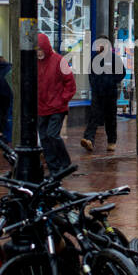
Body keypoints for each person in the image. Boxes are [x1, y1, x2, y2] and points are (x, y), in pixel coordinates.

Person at [36, 33, 76, 175]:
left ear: (46, 48)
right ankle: (54, 167)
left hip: (57, 107)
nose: (39, 53)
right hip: (41, 107)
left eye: (40, 49)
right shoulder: (34, 64)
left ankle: (65, 163)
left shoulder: (60, 61)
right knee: (45, 138)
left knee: (52, 135)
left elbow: (70, 83)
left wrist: (62, 100)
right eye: (37, 50)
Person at [81, 35, 123, 153]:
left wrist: (112, 81)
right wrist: (94, 85)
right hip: (97, 93)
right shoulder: (94, 59)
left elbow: (122, 72)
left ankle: (111, 141)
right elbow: (91, 74)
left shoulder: (114, 59)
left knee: (110, 118)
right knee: (94, 116)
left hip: (110, 93)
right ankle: (88, 139)